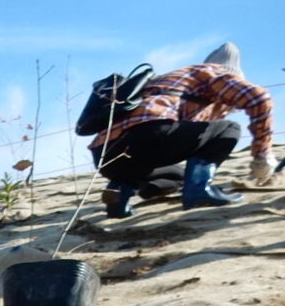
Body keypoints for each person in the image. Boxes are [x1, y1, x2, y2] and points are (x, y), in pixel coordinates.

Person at [90, 58, 275, 219]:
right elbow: (259, 98)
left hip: (105, 155)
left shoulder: (169, 82)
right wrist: (262, 155)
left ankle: (119, 200)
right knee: (229, 128)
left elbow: (183, 138)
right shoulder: (214, 72)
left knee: (176, 175)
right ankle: (199, 192)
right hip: (149, 134)